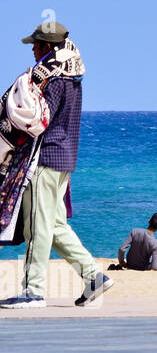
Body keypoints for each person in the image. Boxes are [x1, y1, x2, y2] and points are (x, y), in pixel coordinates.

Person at [0, 23, 113, 309]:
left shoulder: (52, 78)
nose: (34, 51)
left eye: (37, 46)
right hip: (64, 157)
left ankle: (32, 291)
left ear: (47, 47)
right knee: (55, 225)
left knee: (36, 228)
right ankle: (93, 276)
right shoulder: (73, 75)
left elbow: (38, 118)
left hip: (44, 159)